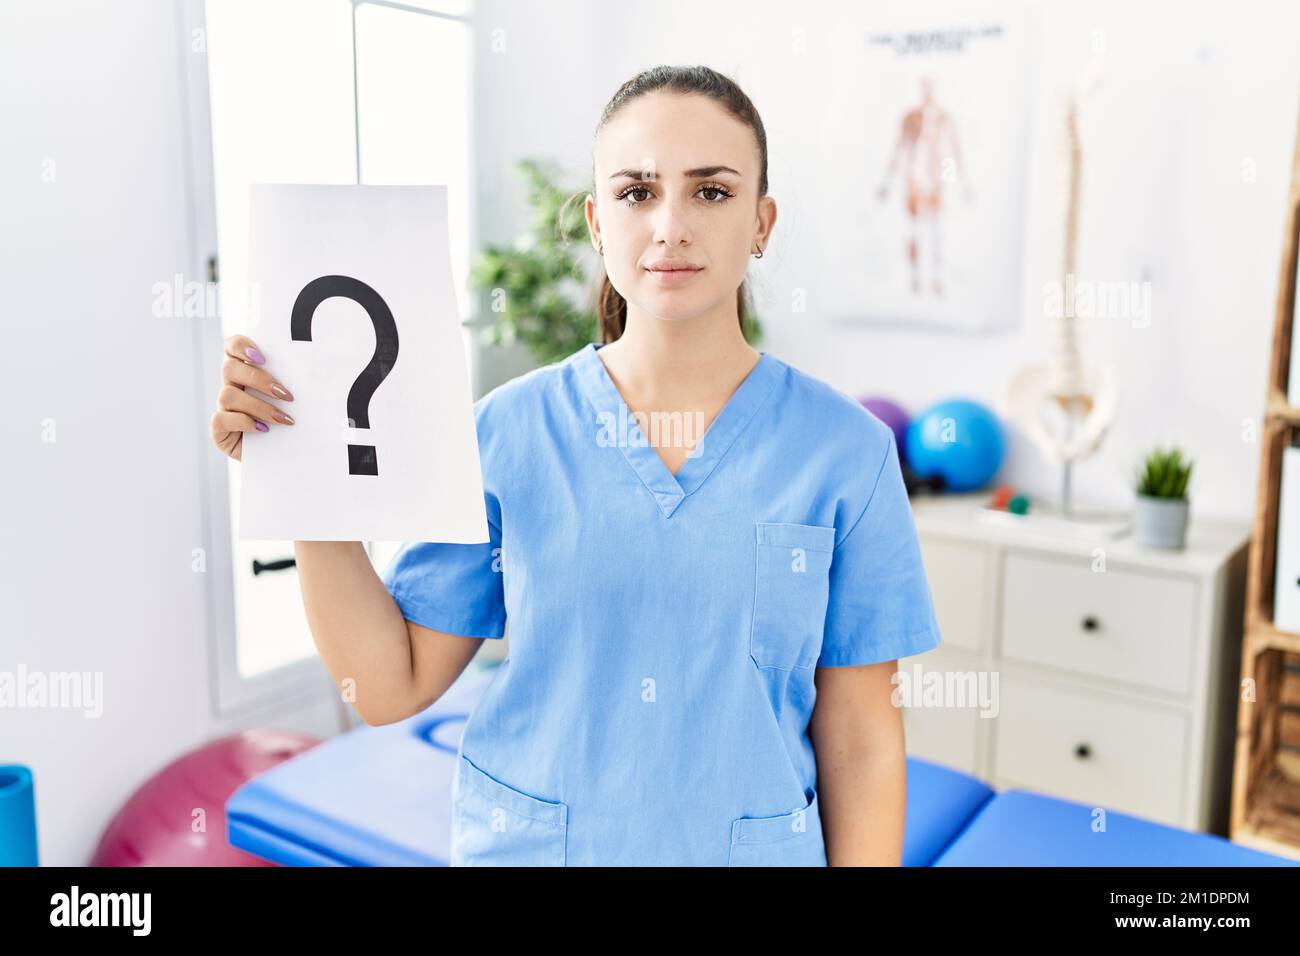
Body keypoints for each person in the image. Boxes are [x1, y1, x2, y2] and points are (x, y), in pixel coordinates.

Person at [210, 64, 943, 866]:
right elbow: (388, 686)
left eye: (712, 191)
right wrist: (307, 476)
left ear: (762, 221)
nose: (669, 225)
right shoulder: (506, 433)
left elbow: (862, 739)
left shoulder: (846, 453)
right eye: (636, 193)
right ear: (597, 221)